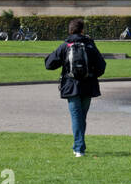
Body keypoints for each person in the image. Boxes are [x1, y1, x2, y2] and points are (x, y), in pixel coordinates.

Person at [43, 19, 107, 157]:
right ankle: (79, 145)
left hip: (71, 86)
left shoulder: (65, 45)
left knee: (77, 117)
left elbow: (49, 64)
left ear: (70, 30)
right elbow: (102, 66)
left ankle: (79, 148)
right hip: (88, 85)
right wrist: (91, 75)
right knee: (81, 117)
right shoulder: (90, 44)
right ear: (82, 30)